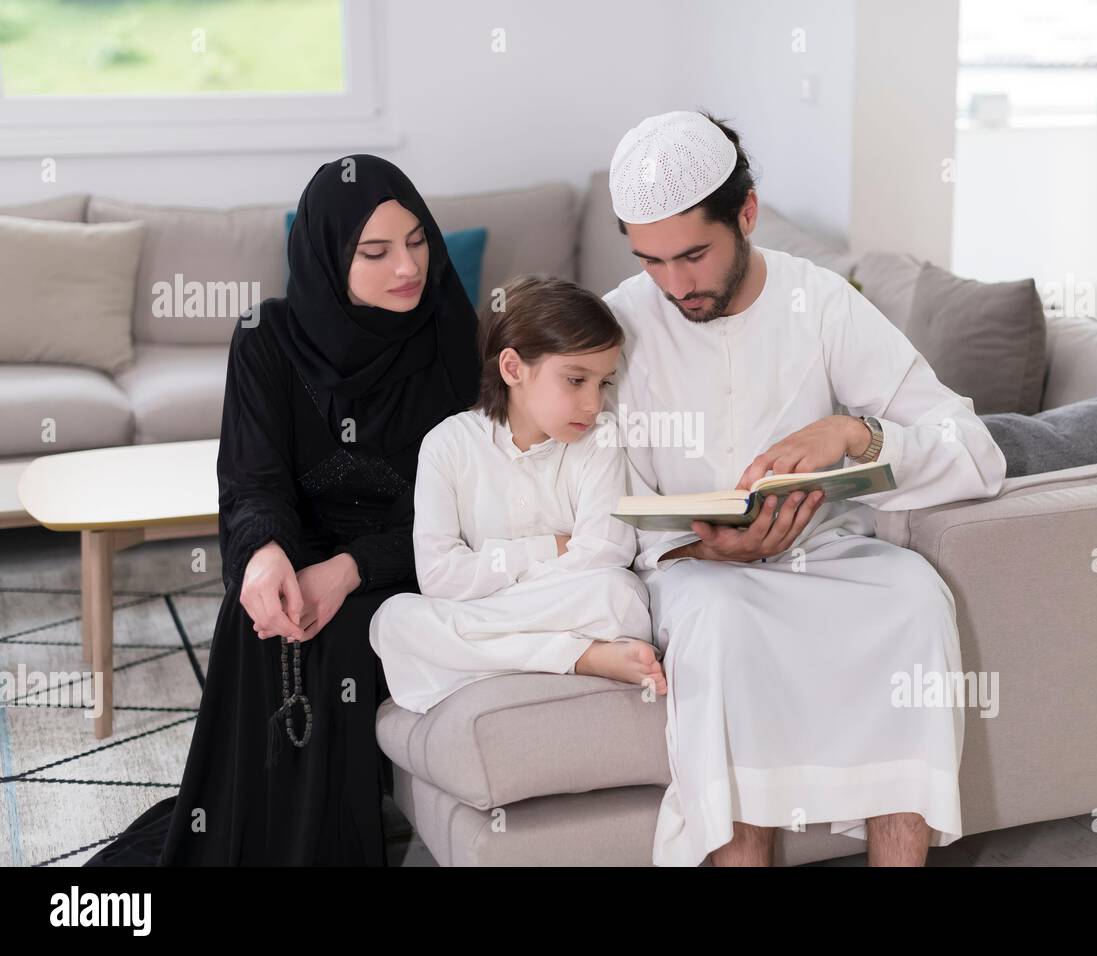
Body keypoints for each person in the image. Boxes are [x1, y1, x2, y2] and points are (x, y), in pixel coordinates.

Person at [601, 111, 1008, 867]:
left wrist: (858, 435)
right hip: (694, 572)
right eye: (652, 261)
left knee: (915, 597)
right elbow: (598, 497)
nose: (674, 285)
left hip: (829, 558)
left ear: (747, 212)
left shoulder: (819, 303)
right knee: (720, 626)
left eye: (692, 255)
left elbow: (976, 454)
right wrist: (696, 545)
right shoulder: (621, 320)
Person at [84, 154, 481, 865]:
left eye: (418, 241)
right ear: (328, 254)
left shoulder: (456, 343)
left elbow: (458, 510)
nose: (408, 266)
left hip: (413, 556)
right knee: (261, 610)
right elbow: (251, 479)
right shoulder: (266, 339)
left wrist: (351, 570)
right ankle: (265, 832)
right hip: (298, 544)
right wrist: (265, 553)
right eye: (376, 250)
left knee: (348, 629)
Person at [369, 275, 663, 714]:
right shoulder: (446, 445)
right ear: (512, 369)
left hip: (511, 609)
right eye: (576, 380)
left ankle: (488, 654)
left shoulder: (600, 439)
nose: (593, 404)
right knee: (392, 621)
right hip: (554, 609)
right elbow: (438, 576)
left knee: (619, 595)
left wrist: (490, 584)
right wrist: (550, 548)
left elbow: (605, 553)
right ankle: (579, 656)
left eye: (603, 384)